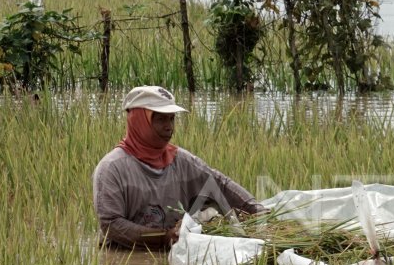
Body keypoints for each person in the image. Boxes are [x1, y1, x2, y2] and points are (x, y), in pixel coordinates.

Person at [93, 85, 266, 249]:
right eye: (161, 119)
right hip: (125, 259)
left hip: (171, 254)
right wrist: (163, 237)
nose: (169, 127)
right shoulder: (112, 168)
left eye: (171, 119)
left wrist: (257, 211)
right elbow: (111, 224)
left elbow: (219, 185)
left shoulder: (181, 161)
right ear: (140, 122)